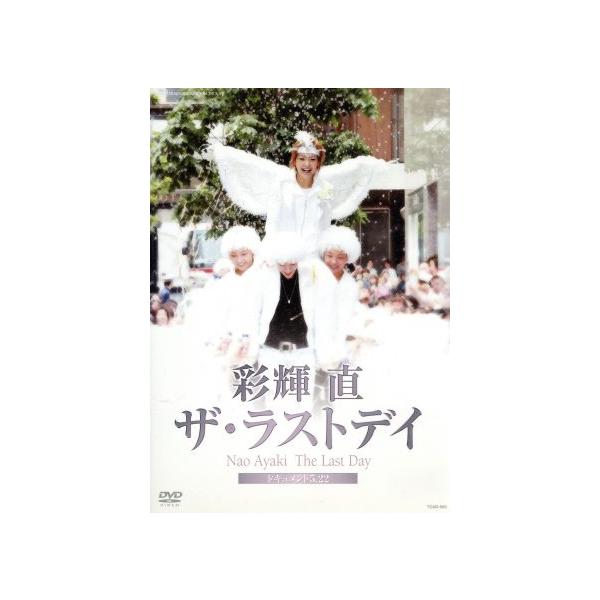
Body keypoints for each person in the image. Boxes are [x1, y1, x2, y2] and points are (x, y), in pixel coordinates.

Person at [212, 131, 387, 256]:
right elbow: (272, 226)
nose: (307, 164)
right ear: (294, 161)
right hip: (284, 260)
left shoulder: (324, 189)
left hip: (313, 260)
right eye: (302, 159)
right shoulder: (281, 185)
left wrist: (371, 165)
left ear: (318, 163)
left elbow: (325, 226)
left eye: (312, 159)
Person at [245, 232, 336, 406]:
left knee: (302, 406)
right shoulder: (264, 276)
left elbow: (323, 317)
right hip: (270, 353)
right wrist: (251, 348)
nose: (287, 269)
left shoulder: (312, 277)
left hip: (303, 353)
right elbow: (252, 314)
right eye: (282, 264)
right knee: (274, 406)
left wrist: (325, 351)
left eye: (292, 264)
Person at [318, 226, 362, 364]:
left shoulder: (350, 285)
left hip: (341, 347)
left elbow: (348, 318)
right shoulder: (314, 279)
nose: (333, 262)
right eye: (329, 256)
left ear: (347, 259)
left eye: (340, 257)